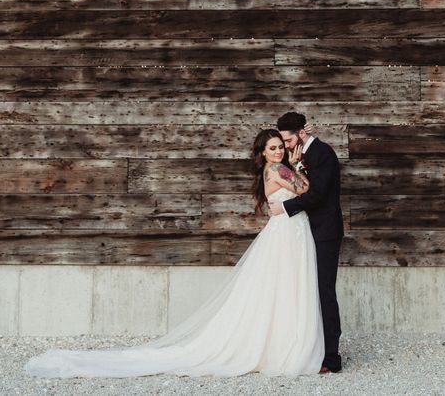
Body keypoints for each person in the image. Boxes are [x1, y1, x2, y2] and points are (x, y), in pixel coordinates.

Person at [25, 129, 324, 378]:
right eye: (272, 148)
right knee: (286, 287)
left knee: (281, 289)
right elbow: (305, 188)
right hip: (286, 234)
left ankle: (278, 345)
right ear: (262, 153)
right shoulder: (276, 169)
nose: (278, 152)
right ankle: (282, 347)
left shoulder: (274, 168)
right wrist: (297, 166)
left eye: (280, 148)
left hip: (289, 232)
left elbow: (300, 188)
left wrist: (295, 167)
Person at [269, 111, 344, 374]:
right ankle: (311, 348)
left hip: (325, 232)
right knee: (308, 291)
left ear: (302, 133)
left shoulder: (322, 154)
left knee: (324, 292)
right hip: (306, 232)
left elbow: (318, 195)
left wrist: (285, 208)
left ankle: (332, 358)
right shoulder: (300, 154)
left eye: (288, 140)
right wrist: (294, 163)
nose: (286, 146)